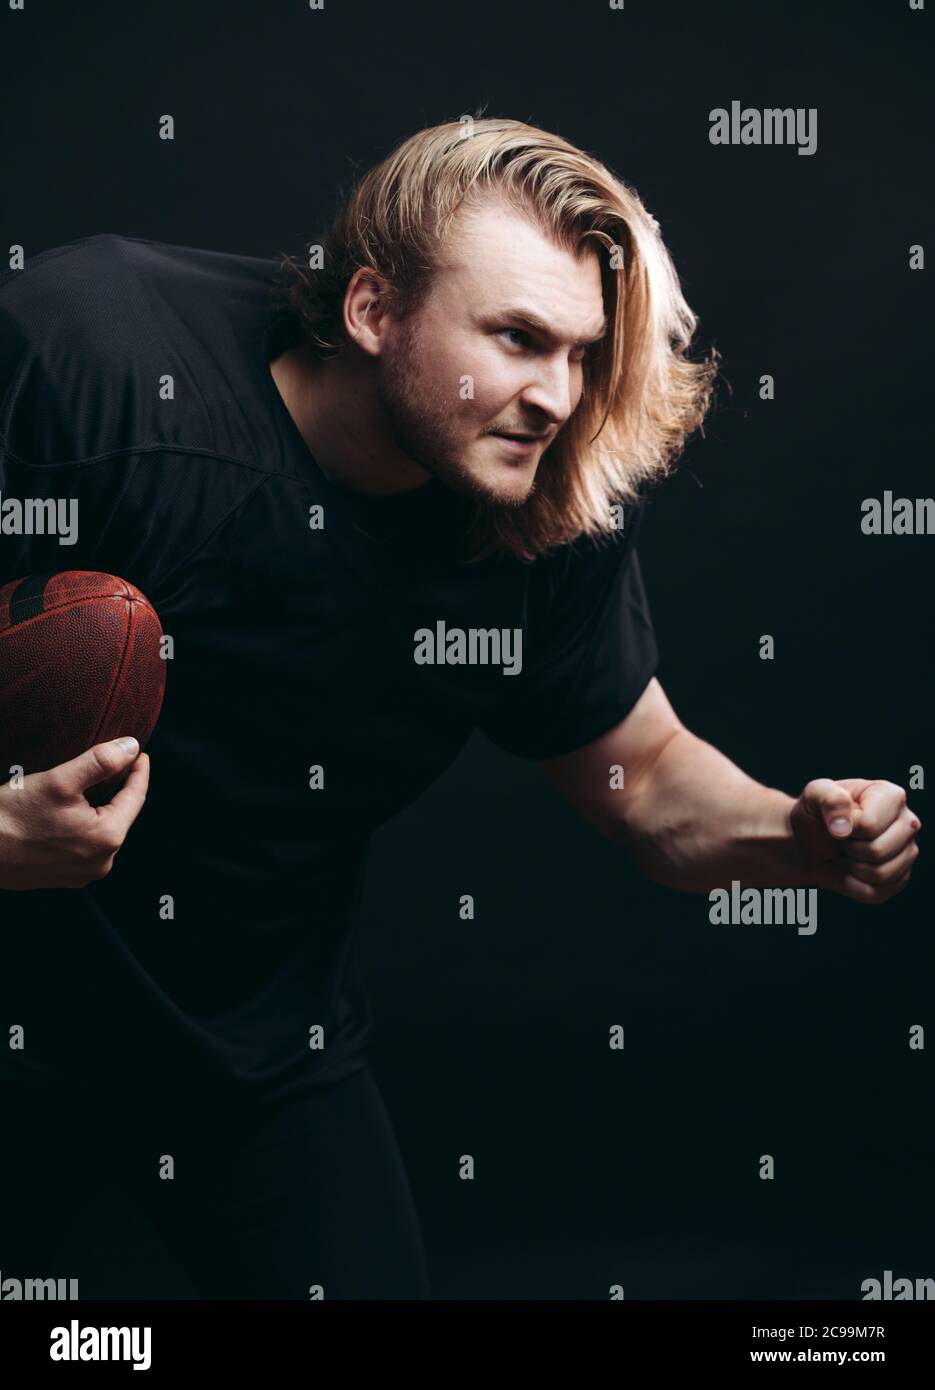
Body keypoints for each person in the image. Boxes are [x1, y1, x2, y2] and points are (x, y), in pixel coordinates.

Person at [0, 117, 920, 1300]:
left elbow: (643, 777)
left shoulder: (536, 505)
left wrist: (790, 833)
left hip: (256, 1049)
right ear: (374, 310)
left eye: (582, 353)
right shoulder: (96, 367)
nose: (555, 395)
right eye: (518, 339)